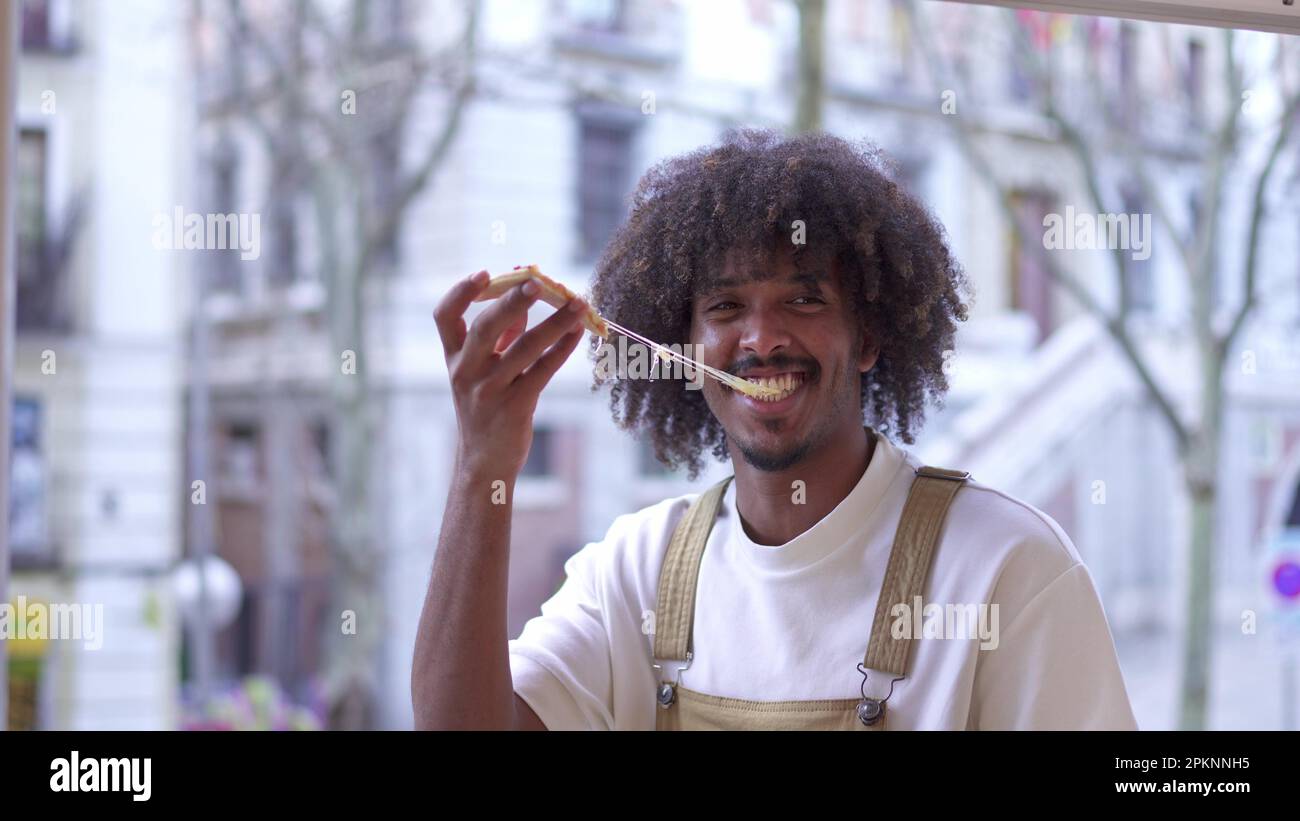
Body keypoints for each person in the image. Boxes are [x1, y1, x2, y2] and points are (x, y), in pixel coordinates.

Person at [413, 128, 1137, 730]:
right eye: (726, 307)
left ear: (872, 335)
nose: (762, 338)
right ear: (685, 349)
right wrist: (485, 466)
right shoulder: (637, 571)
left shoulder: (1010, 569)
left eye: (804, 297)